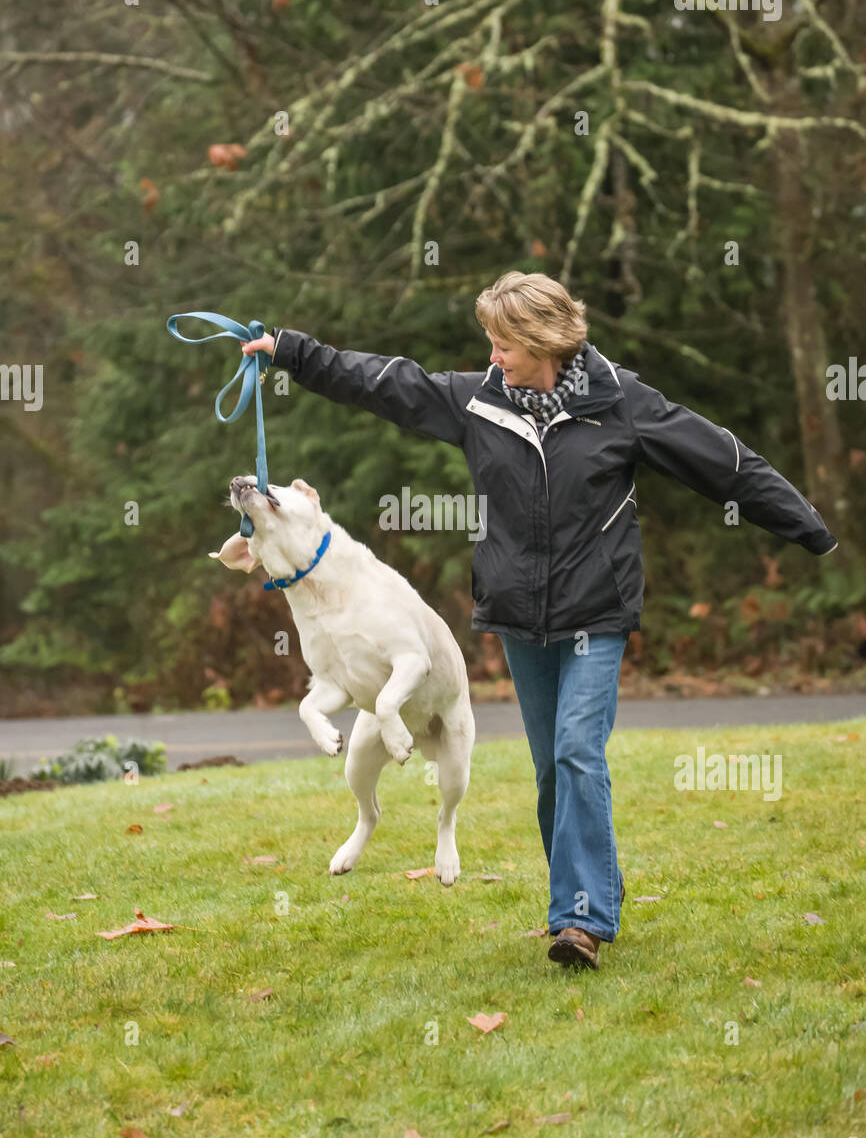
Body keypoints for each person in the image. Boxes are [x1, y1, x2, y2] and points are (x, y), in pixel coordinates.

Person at [242, 271, 838, 970]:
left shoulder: (622, 404)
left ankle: (579, 920)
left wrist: (808, 528)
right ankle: (583, 897)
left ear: (545, 341)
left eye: (502, 345)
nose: (492, 357)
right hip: (522, 618)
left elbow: (724, 464)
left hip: (598, 612)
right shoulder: (478, 404)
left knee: (577, 751)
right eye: (489, 344)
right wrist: (291, 351)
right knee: (553, 771)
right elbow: (386, 384)